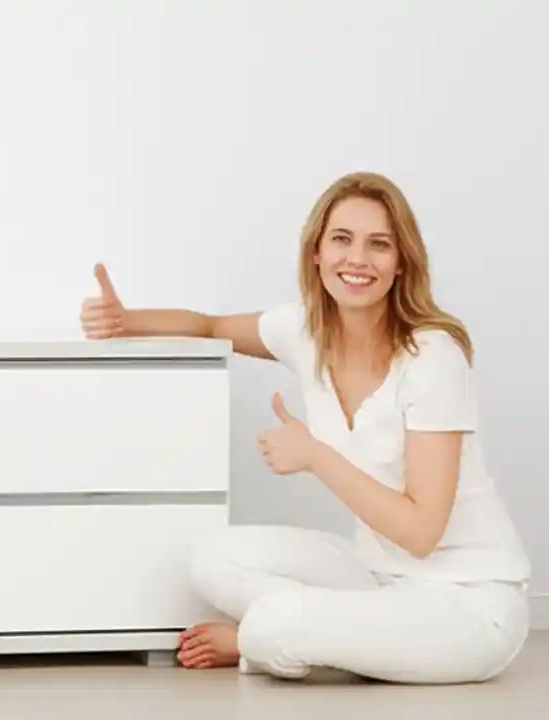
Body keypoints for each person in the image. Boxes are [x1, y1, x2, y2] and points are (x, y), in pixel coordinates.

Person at [79, 171, 530, 684]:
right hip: (379, 576)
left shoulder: (432, 358)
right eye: (341, 239)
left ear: (401, 261)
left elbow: (420, 532)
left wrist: (315, 455)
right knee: (211, 559)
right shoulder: (306, 331)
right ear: (316, 252)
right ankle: (330, 632)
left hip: (468, 603)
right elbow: (210, 326)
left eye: (378, 244)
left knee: (272, 623)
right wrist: (123, 319)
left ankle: (269, 639)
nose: (356, 259)